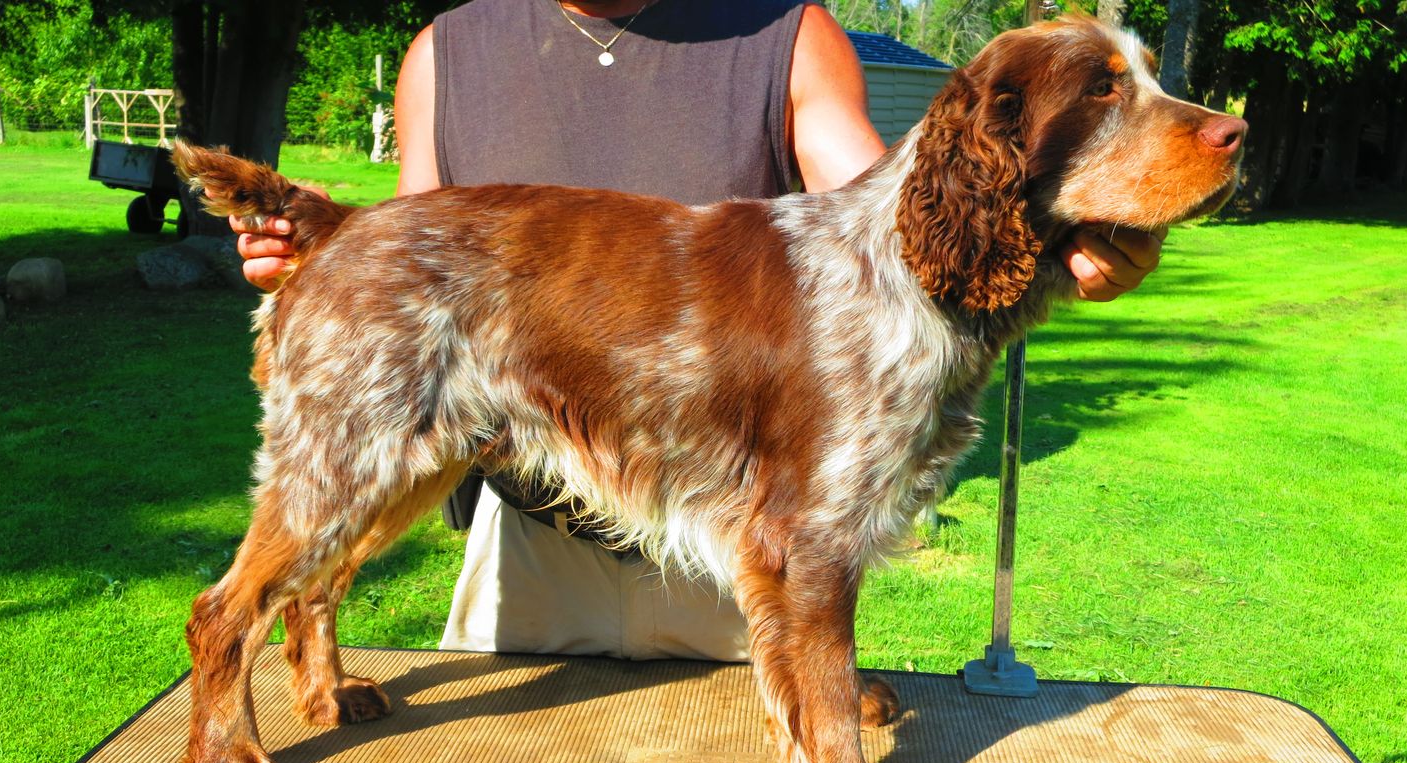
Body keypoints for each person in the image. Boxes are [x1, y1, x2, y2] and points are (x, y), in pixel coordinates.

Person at [229, 0, 1165, 663]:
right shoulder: (447, 48)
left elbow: (899, 242)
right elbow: (426, 251)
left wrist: (1061, 236)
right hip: (528, 561)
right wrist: (332, 250)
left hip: (733, 576)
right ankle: (299, 646)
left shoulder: (788, 34)